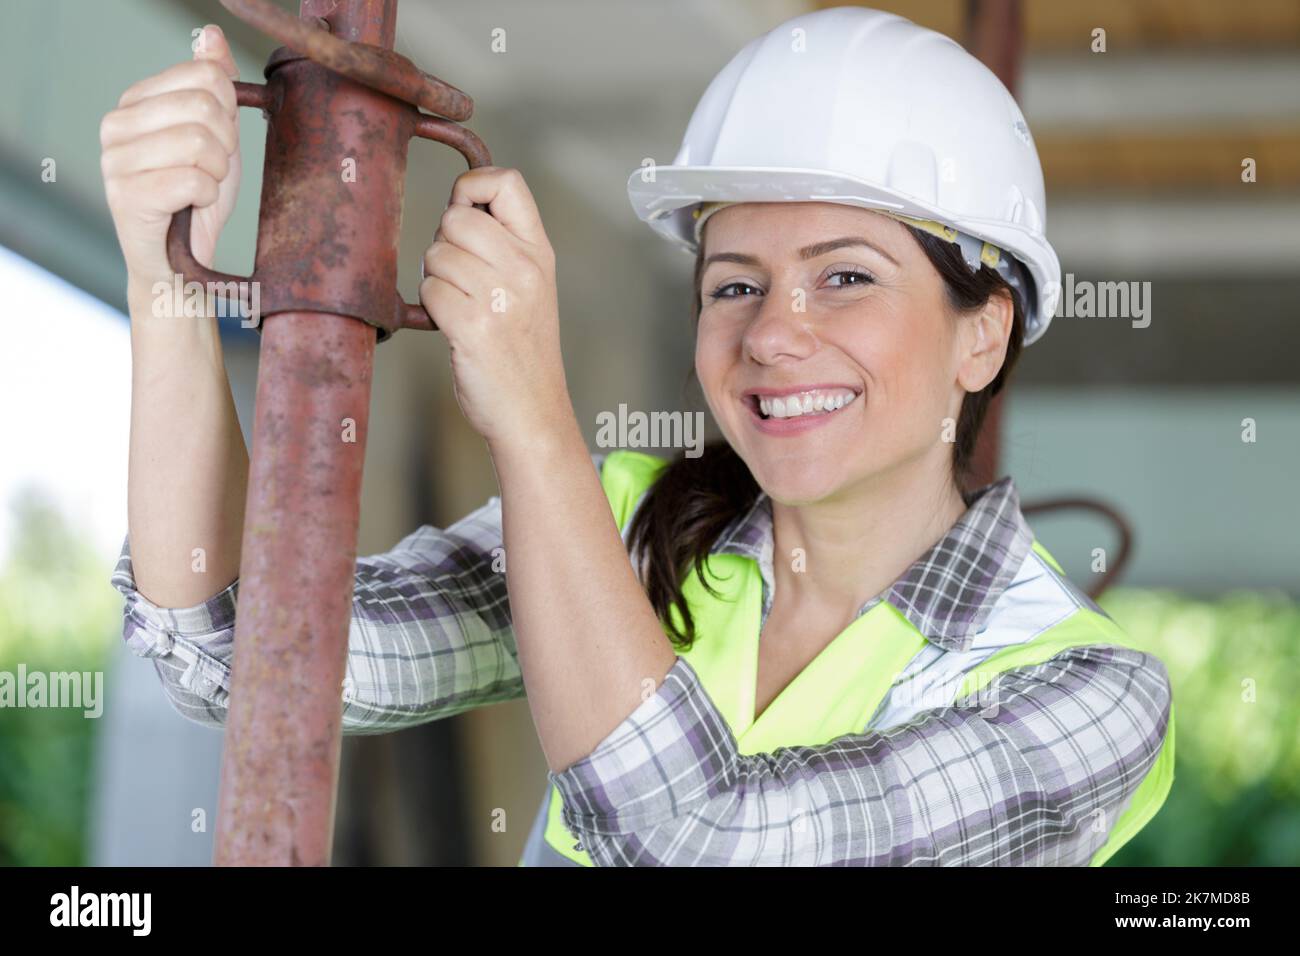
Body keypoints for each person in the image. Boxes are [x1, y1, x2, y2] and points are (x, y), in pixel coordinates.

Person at [105, 9, 1174, 867]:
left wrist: (532, 417)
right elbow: (239, 654)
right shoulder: (626, 524)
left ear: (981, 334)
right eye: (735, 284)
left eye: (845, 276)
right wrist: (167, 282)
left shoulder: (1083, 690)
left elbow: (697, 838)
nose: (770, 334)